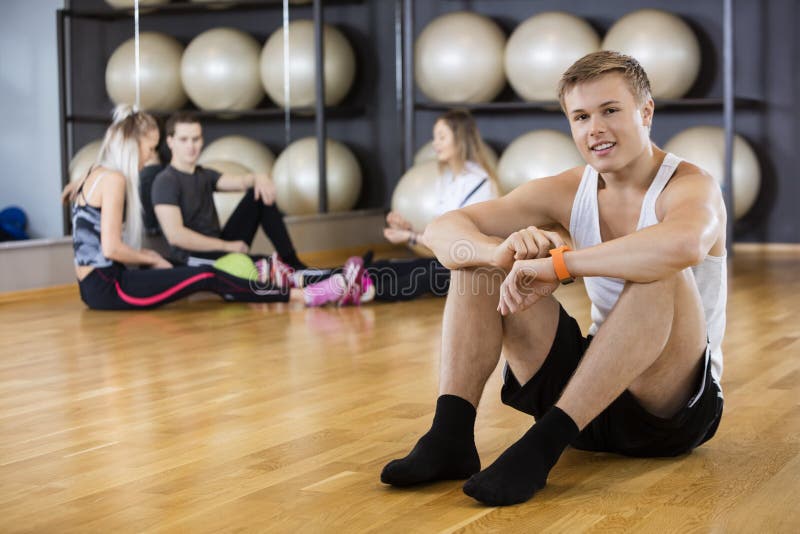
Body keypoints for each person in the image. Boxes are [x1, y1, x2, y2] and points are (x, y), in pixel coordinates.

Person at [380, 51, 726, 506]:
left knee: (659, 270)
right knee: (476, 265)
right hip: (589, 394)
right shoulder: (568, 189)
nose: (594, 128)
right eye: (580, 117)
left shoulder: (689, 185)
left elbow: (681, 246)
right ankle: (450, 436)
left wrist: (560, 265)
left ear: (646, 112)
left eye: (609, 111)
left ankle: (541, 448)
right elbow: (445, 227)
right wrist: (496, 253)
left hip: (667, 410)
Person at [69, 105, 368, 311]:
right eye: (149, 149)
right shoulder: (117, 179)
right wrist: (149, 257)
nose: (149, 158)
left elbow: (95, 233)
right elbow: (111, 248)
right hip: (109, 286)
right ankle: (306, 295)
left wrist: (258, 178)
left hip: (95, 287)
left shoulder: (92, 175)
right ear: (131, 145)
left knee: (234, 270)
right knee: (209, 278)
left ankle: (319, 277)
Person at [366, 109, 499, 302]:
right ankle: (314, 279)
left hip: (470, 270)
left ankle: (355, 291)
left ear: (460, 139)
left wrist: (410, 237)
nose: (435, 144)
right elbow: (439, 241)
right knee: (383, 267)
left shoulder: (481, 184)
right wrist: (409, 231)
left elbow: (459, 246)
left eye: (441, 137)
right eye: (435, 137)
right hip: (446, 261)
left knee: (421, 277)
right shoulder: (448, 180)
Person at [151, 112, 306, 270]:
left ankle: (293, 262)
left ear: (202, 140)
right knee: (266, 265)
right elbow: (176, 236)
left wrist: (258, 177)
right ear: (170, 142)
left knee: (257, 194)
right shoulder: (165, 181)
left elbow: (239, 182)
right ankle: (287, 272)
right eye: (184, 140)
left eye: (195, 139)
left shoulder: (204, 174)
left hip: (218, 247)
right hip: (192, 258)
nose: (191, 146)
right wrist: (228, 246)